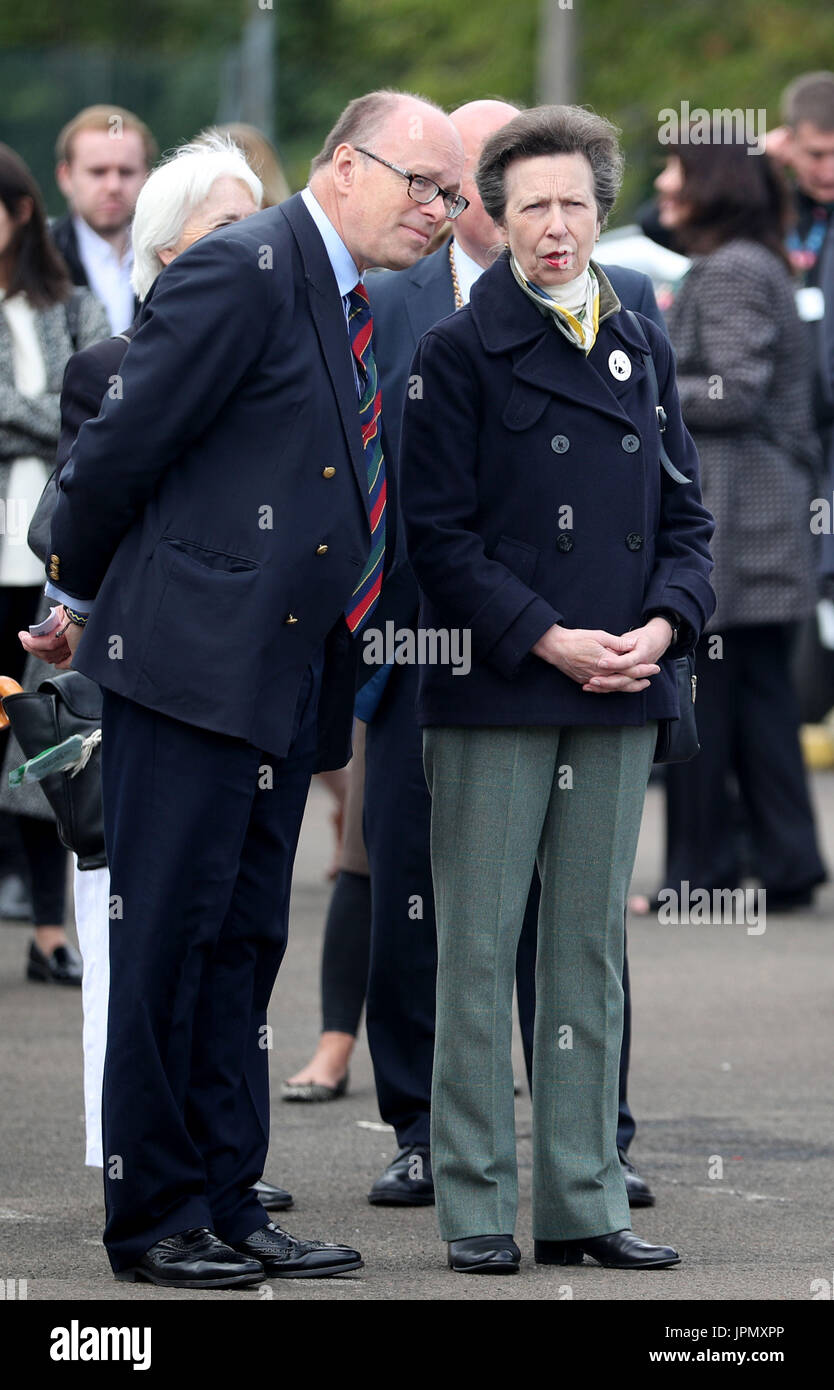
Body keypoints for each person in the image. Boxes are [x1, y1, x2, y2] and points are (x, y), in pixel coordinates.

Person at [23, 88, 464, 1289]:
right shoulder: (245, 266)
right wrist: (75, 594)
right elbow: (116, 448)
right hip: (189, 671)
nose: (441, 210)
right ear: (340, 165)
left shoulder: (340, 290)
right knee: (168, 946)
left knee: (242, 946)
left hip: (284, 676)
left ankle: (229, 1197)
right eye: (422, 184)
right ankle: (153, 1217)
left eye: (450, 192)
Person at [399, 104, 715, 1274]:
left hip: (622, 686)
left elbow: (689, 519)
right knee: (477, 950)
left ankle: (584, 1201)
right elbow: (439, 540)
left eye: (575, 201)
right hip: (500, 689)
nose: (555, 224)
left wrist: (663, 626)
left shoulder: (644, 338)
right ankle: (478, 1203)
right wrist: (551, 639)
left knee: (587, 952)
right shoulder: (456, 352)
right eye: (531, 203)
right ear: (496, 214)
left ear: (602, 210)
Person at [649, 132, 826, 909]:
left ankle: (701, 870)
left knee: (706, 702)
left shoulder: (730, 272)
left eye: (678, 168)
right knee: (758, 703)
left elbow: (733, 391)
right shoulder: (751, 261)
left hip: (739, 522)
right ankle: (785, 865)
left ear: (711, 183)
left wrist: (638, 388)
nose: (663, 181)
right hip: (764, 520)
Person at [0, 143, 109, 983]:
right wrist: (55, 414)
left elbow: (104, 399)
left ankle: (48, 931)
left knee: (40, 739)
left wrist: (33, 415)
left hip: (42, 560)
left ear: (22, 211)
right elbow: (73, 406)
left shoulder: (69, 301)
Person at [51, 105, 156, 333]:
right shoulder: (37, 258)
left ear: (147, 176)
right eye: (98, 172)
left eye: (126, 172)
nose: (113, 186)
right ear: (65, 177)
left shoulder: (171, 256)